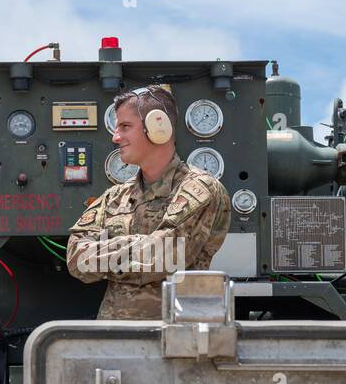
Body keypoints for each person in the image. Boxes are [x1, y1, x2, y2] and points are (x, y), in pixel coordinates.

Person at [66, 84, 230, 319]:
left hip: (173, 340)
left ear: (157, 127)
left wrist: (105, 253)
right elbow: (76, 258)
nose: (115, 137)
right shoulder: (115, 197)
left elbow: (167, 254)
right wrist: (140, 247)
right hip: (113, 342)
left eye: (125, 127)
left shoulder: (200, 189)